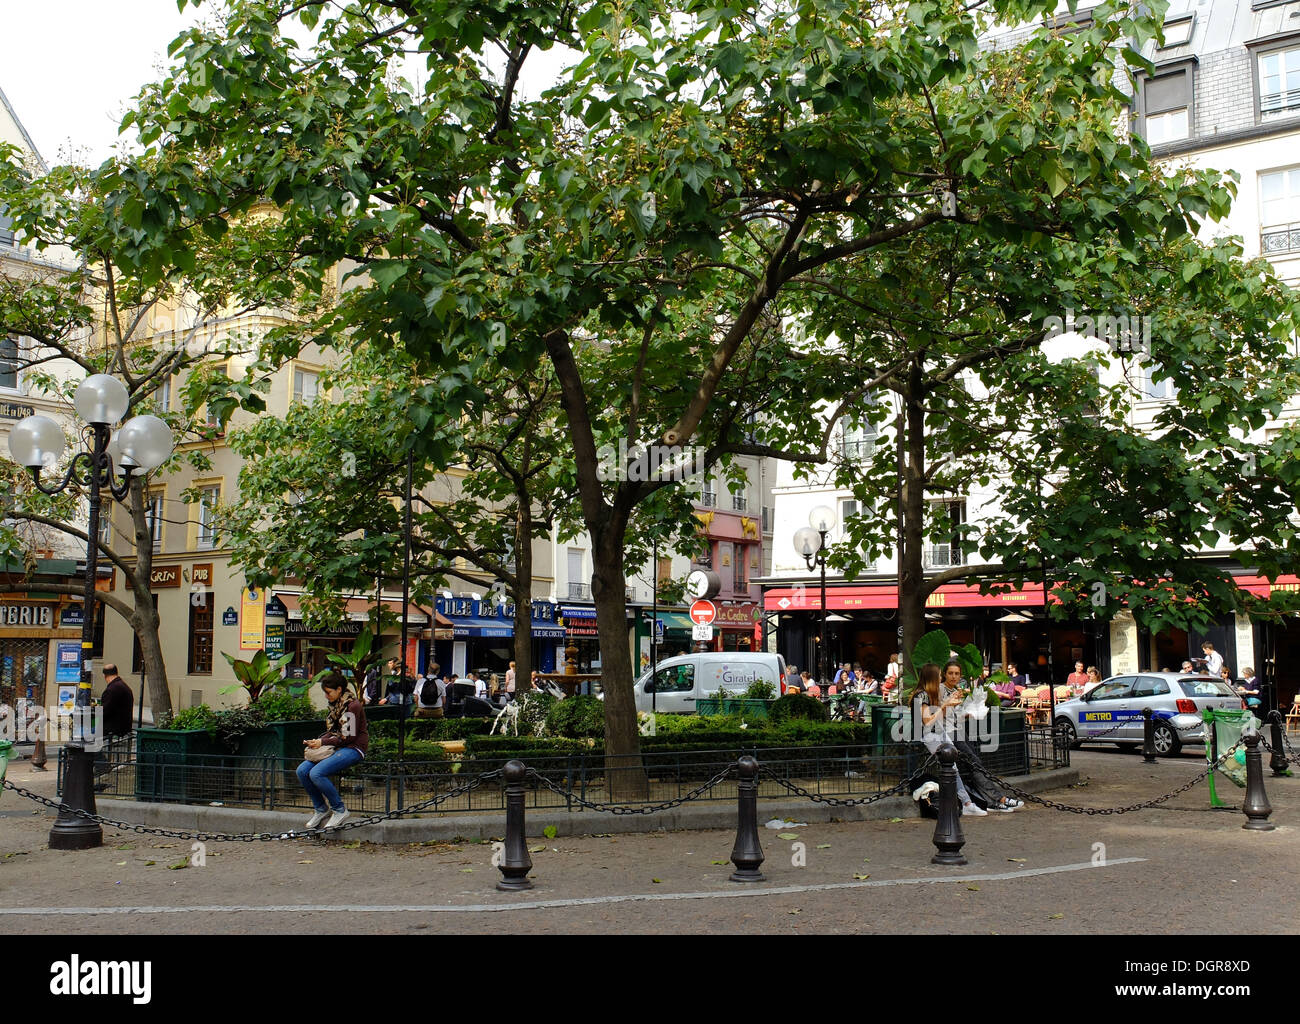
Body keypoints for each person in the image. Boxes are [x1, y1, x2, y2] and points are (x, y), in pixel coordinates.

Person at [940, 660, 1022, 813]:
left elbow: (955, 714)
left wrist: (968, 713)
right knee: (974, 762)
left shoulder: (956, 690)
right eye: (950, 673)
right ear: (944, 674)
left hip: (958, 730)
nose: (953, 676)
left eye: (956, 674)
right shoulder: (941, 690)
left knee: (974, 763)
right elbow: (938, 713)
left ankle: (990, 801)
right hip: (949, 733)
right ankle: (998, 799)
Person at [297, 672, 368, 829]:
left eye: (328, 692)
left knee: (316, 773)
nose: (326, 696)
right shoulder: (337, 704)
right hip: (337, 747)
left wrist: (322, 742)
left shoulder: (352, 706)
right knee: (302, 770)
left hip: (354, 748)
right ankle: (321, 809)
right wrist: (317, 741)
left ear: (339, 689)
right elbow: (334, 731)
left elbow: (348, 737)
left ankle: (339, 809)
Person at [94, 664, 134, 791]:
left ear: (105, 676)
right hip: (122, 724)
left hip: (114, 726)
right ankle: (100, 765)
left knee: (87, 738)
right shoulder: (122, 686)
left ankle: (102, 765)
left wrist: (94, 712)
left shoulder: (112, 689)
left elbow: (105, 711)